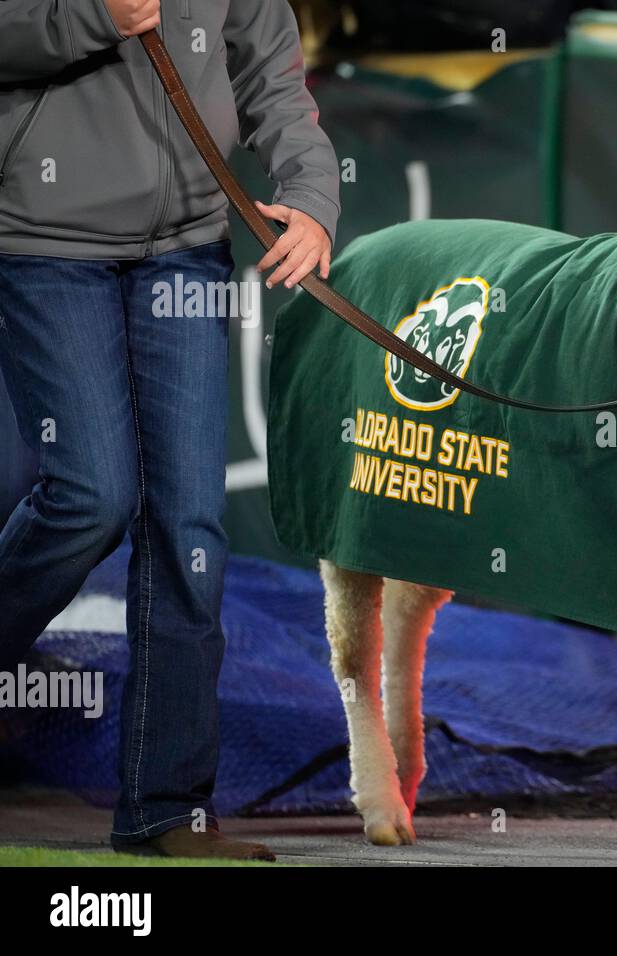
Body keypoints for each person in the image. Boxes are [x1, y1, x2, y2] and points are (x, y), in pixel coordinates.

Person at [0, 0, 339, 860]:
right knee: (90, 497)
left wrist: (309, 195)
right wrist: (89, 16)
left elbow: (272, 73)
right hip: (43, 242)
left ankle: (168, 807)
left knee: (192, 526)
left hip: (188, 248)